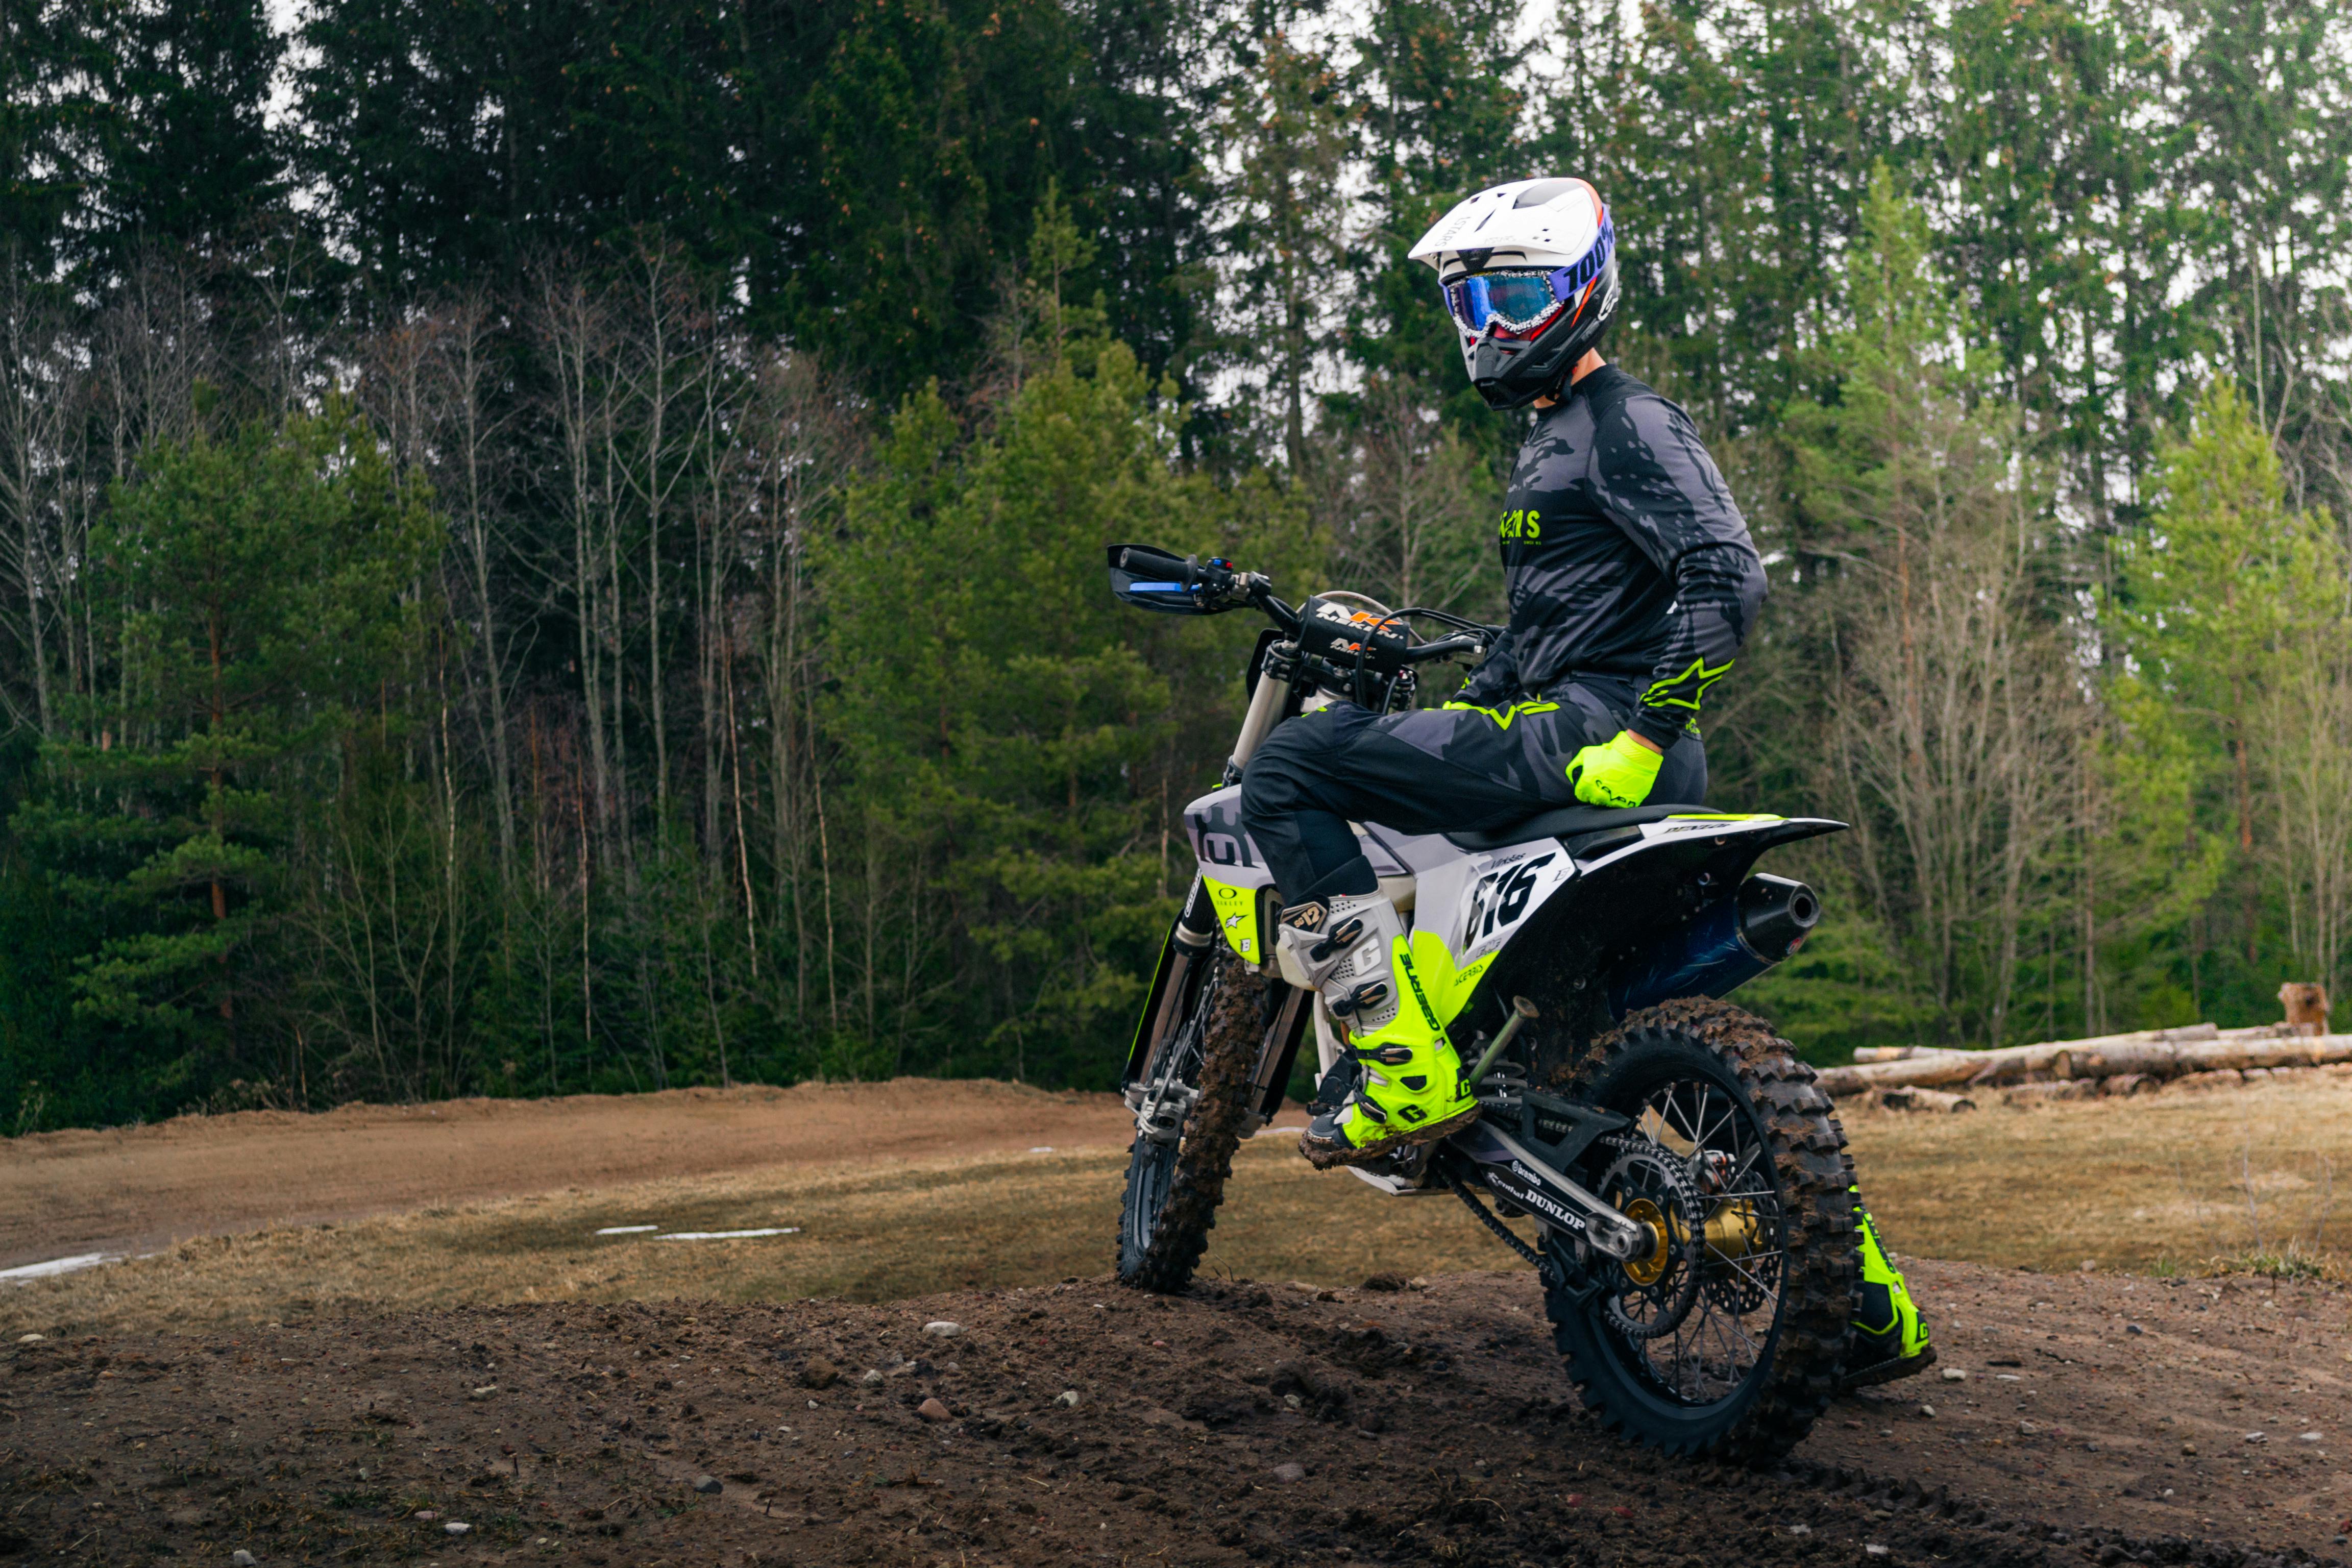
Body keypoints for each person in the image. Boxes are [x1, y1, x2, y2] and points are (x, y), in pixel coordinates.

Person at [1237, 175, 1930, 1384]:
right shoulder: (1557, 434)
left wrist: (1646, 734)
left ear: (1585, 287)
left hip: (1595, 738)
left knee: (1293, 764)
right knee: (1614, 1038)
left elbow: (1730, 574)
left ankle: (1400, 1063)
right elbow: (1563, 622)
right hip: (1581, 726)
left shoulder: (1624, 421)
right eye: (1473, 304)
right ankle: (1867, 1311)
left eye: (1516, 298)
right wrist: (1480, 691)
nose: (1491, 327)